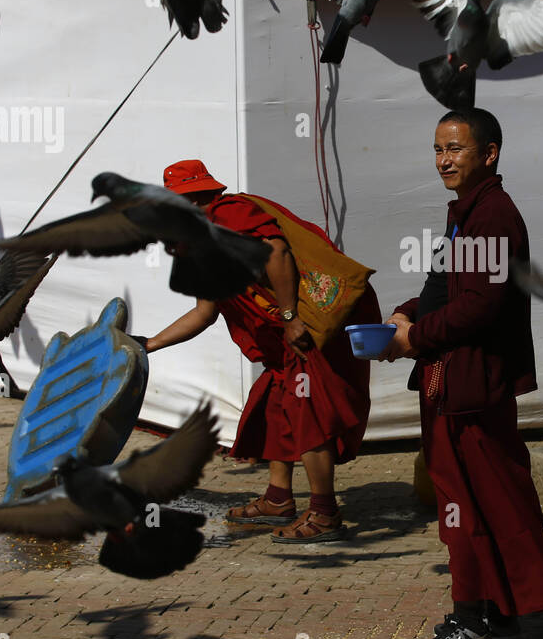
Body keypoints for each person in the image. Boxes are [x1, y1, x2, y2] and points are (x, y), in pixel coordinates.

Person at [382, 109, 543, 639]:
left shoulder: (493, 217)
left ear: (489, 153)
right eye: (438, 149)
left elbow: (481, 309)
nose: (444, 160)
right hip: (457, 381)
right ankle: (502, 618)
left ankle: (473, 624)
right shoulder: (467, 213)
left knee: (468, 504)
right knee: (483, 501)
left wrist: (413, 337)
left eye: (456, 148)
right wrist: (406, 312)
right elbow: (447, 290)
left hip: (471, 386)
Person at [142, 160, 379, 543]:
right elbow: (205, 313)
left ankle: (324, 514)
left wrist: (289, 318)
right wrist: (148, 345)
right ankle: (278, 499)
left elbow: (277, 253)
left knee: (308, 411)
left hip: (310, 323)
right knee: (275, 405)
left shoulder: (228, 214)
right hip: (289, 330)